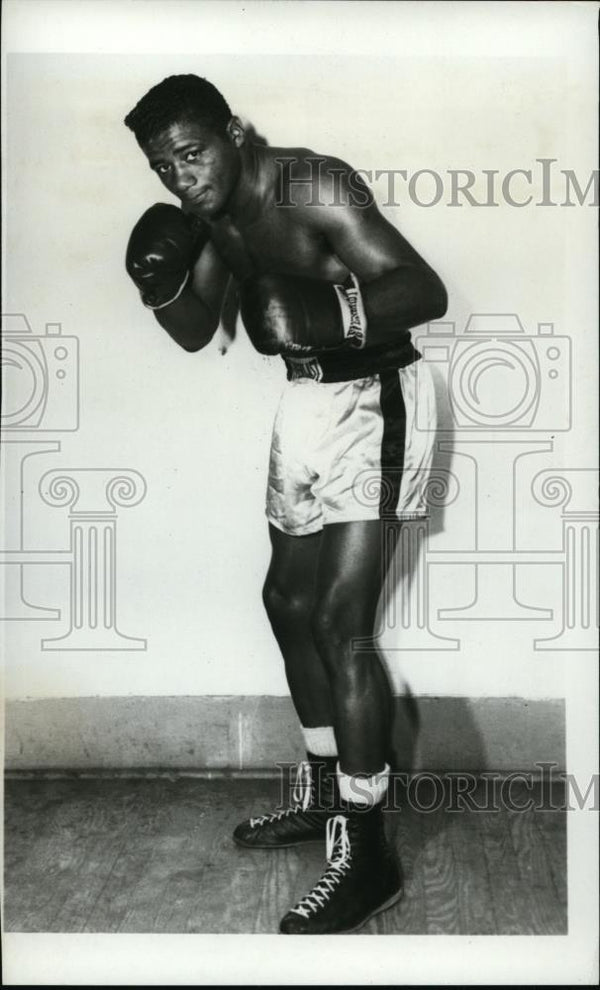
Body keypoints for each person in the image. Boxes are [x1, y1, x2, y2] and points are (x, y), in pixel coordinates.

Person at [124, 74, 447, 935]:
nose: (182, 178)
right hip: (308, 402)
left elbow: (423, 290)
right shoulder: (208, 215)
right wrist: (157, 283)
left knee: (343, 621)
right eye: (164, 167)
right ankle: (326, 789)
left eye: (193, 154)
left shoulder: (314, 185)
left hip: (381, 396)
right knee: (285, 601)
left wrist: (321, 309)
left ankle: (369, 846)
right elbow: (198, 328)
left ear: (234, 131)